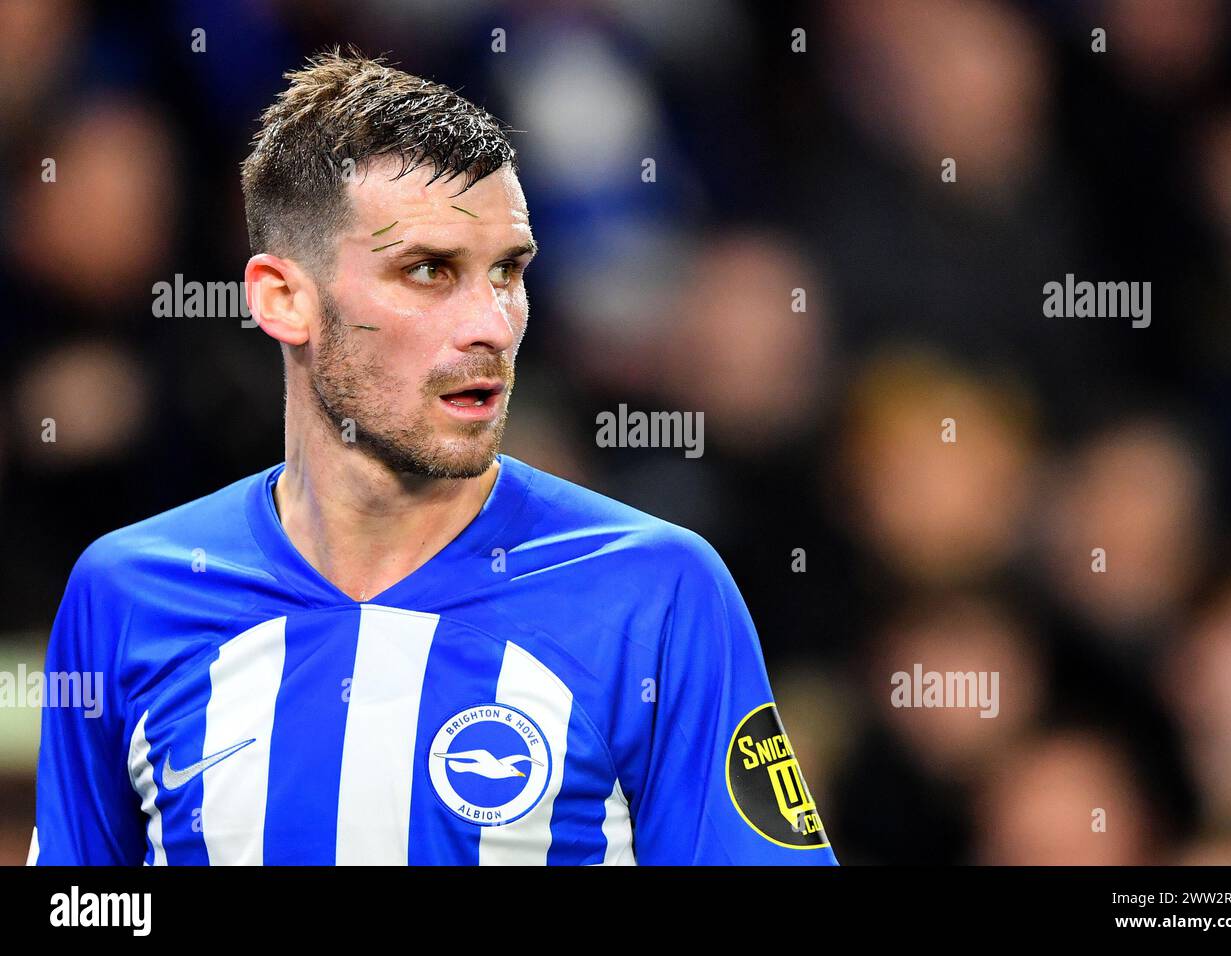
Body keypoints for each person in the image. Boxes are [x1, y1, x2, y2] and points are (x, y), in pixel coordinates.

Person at [29, 50, 836, 866]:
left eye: (507, 272)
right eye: (428, 270)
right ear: (283, 299)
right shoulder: (127, 595)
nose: (490, 322)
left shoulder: (656, 593)